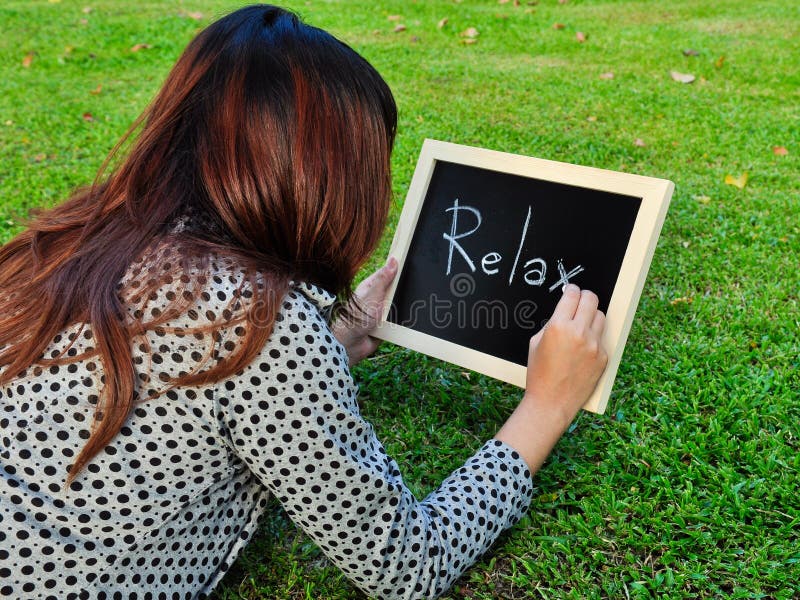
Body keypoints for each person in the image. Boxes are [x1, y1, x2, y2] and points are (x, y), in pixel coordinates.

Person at [0, 4, 607, 599]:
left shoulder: (75, 237)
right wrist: (548, 405)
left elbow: (179, 383)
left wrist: (332, 338)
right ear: (329, 177)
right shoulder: (260, 329)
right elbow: (406, 566)